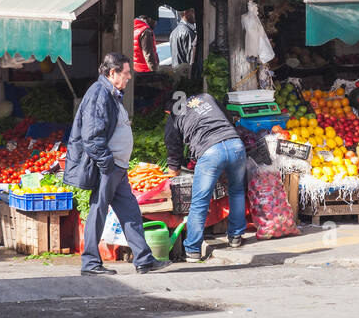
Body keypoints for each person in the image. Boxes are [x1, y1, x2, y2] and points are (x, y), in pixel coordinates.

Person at [64, 53, 169, 276]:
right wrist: (107, 164)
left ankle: (144, 259)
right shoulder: (99, 94)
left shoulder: (111, 93)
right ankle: (91, 263)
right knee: (98, 211)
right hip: (108, 168)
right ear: (113, 73)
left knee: (130, 211)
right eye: (126, 73)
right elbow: (92, 137)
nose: (130, 77)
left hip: (117, 168)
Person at [164, 92, 248, 261]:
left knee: (200, 200)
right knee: (237, 191)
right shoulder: (207, 98)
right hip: (235, 145)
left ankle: (193, 250)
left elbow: (174, 148)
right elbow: (228, 119)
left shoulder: (175, 115)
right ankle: (235, 237)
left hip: (210, 152)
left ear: (168, 111)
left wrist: (173, 170)